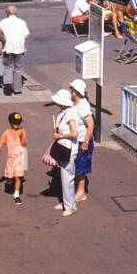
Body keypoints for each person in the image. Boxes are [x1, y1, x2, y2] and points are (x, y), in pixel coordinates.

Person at [50, 88, 80, 217]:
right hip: (64, 147)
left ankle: (70, 206)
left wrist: (60, 135)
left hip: (68, 149)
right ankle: (67, 202)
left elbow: (74, 133)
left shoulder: (69, 113)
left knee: (67, 177)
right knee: (64, 176)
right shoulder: (65, 112)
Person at [69, 78, 94, 200]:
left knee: (81, 165)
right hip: (75, 139)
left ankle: (81, 191)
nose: (70, 90)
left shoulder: (84, 105)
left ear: (76, 91)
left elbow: (91, 125)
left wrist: (86, 142)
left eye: (72, 89)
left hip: (82, 141)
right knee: (76, 165)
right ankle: (77, 189)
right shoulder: (73, 102)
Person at [0, 5, 30, 95]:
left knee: (7, 66)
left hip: (7, 47)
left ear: (7, 13)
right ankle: (17, 89)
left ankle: (7, 85)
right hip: (19, 48)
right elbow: (26, 35)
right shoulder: (22, 22)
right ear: (15, 13)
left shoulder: (3, 22)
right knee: (18, 68)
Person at [0, 112, 28, 205]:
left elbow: (25, 144)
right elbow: (1, 143)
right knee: (9, 176)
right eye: (15, 123)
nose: (17, 125)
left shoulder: (22, 131)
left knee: (18, 176)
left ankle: (16, 194)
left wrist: (22, 136)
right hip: (11, 158)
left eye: (18, 123)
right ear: (10, 122)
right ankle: (9, 181)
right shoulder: (6, 133)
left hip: (20, 157)